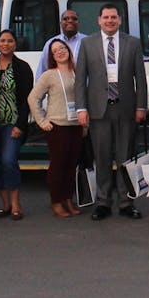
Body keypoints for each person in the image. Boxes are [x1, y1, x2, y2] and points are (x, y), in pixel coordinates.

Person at [74, 2, 148, 221]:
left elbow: (140, 79)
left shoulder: (132, 43)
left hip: (125, 109)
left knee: (125, 158)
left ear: (119, 20)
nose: (110, 21)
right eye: (106, 17)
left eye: (113, 17)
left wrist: (141, 106)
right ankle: (103, 202)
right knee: (103, 158)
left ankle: (126, 202)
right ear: (99, 20)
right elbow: (80, 79)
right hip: (99, 110)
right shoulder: (87, 44)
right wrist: (81, 108)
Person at [30, 39, 84, 217]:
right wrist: (42, 121)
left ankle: (68, 198)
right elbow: (33, 98)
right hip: (58, 126)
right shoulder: (49, 75)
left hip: (76, 125)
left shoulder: (77, 72)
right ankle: (56, 201)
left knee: (71, 165)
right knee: (58, 165)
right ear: (51, 56)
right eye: (55, 51)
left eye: (63, 48)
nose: (60, 51)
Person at [0, 29, 34, 220]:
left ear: (15, 44)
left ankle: (16, 204)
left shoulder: (22, 67)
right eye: (2, 41)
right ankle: (5, 204)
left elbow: (27, 100)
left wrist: (20, 125)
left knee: (8, 161)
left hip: (12, 123)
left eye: (10, 41)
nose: (6, 44)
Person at [36, 9, 87, 79]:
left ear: (78, 22)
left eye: (74, 19)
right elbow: (42, 69)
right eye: (65, 19)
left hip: (83, 88)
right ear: (60, 23)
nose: (70, 21)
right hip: (58, 87)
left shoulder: (87, 42)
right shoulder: (51, 43)